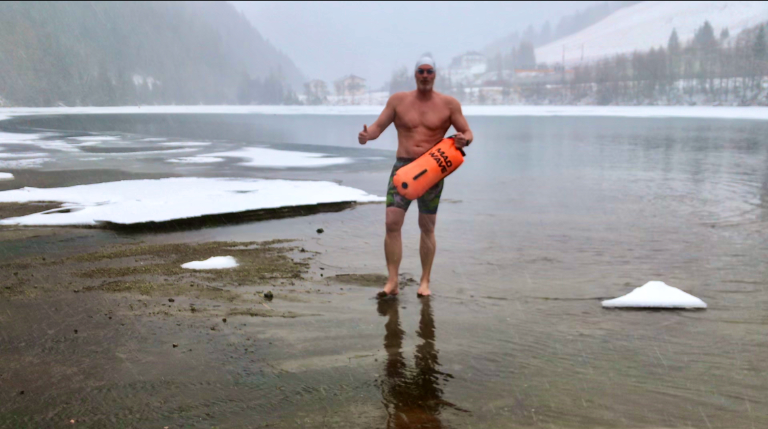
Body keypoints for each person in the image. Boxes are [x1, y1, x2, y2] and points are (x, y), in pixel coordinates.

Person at [358, 55, 474, 298]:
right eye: (420, 71)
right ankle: (392, 281)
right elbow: (378, 127)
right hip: (403, 168)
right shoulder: (398, 101)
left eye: (429, 71)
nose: (424, 75)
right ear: (415, 74)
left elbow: (467, 132)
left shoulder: (449, 104)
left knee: (427, 226)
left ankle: (425, 282)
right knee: (392, 223)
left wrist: (465, 139)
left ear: (435, 74)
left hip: (432, 170)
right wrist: (367, 136)